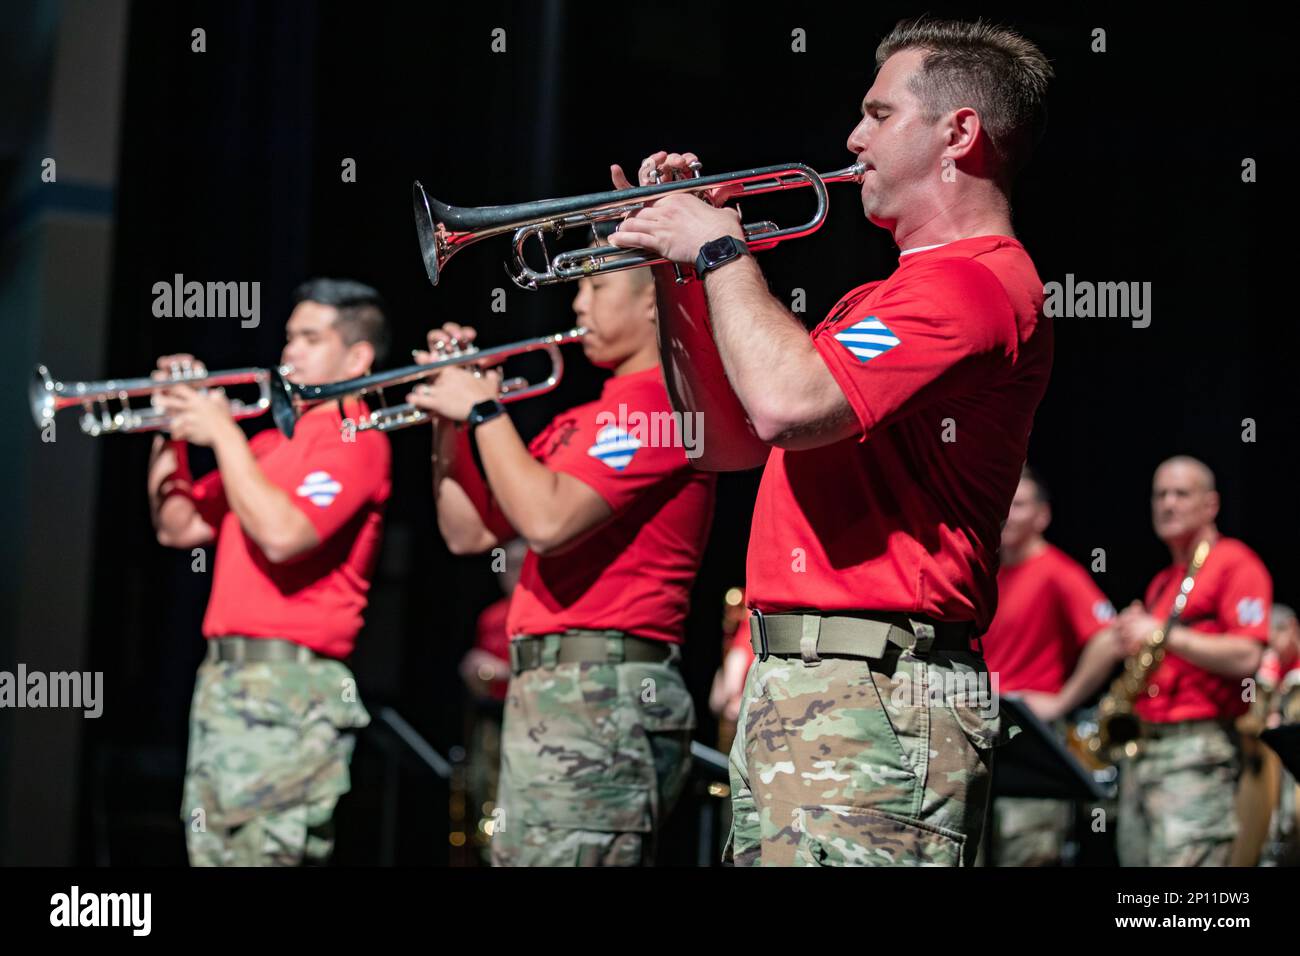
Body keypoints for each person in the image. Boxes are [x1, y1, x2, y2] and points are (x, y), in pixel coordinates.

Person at [608, 16, 1054, 865]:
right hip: (814, 689)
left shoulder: (975, 285)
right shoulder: (886, 296)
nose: (852, 138)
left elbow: (784, 402)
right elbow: (721, 442)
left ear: (959, 133)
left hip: (876, 696)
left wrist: (722, 249)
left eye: (879, 114)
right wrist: (680, 272)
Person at [409, 266, 716, 866]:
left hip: (603, 691)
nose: (578, 305)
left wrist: (482, 410)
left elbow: (547, 523)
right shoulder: (580, 419)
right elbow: (468, 532)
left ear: (654, 303)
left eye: (596, 288)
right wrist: (449, 422)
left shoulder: (665, 410)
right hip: (552, 691)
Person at [149, 278, 391, 866]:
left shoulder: (356, 436)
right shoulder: (265, 447)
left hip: (292, 696)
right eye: (289, 338)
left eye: (311, 338)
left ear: (357, 356)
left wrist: (223, 435)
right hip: (224, 686)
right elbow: (177, 525)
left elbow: (285, 538)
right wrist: (166, 427)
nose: (290, 353)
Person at [1113, 456, 1271, 866]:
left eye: (1181, 493)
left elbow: (1247, 655)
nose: (1167, 504)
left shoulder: (1235, 562)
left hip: (1197, 750)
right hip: (1145, 748)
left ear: (1211, 504)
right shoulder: (1163, 580)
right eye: (1160, 494)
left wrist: (1162, 634)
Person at [980, 467, 1117, 865]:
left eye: (1019, 504)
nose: (1007, 512)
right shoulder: (984, 573)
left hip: (1030, 737)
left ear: (1042, 515)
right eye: (1004, 500)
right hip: (980, 731)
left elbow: (1108, 638)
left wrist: (1059, 702)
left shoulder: (1058, 572)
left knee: (1028, 851)